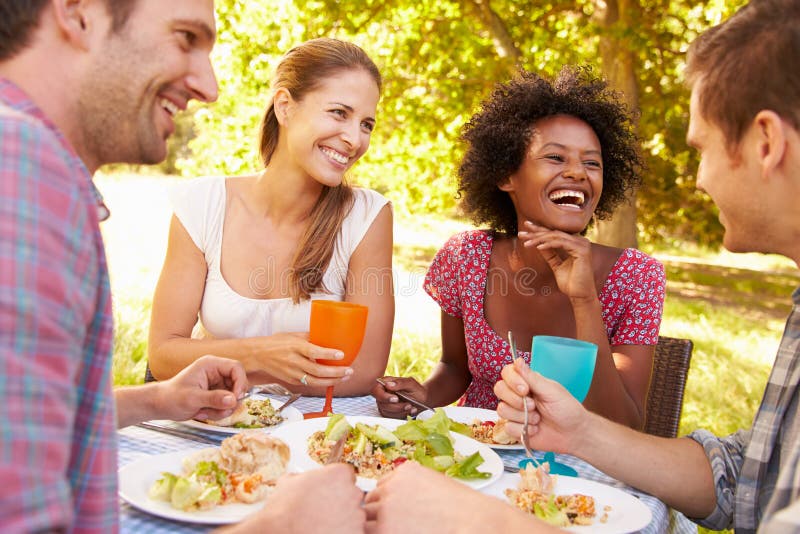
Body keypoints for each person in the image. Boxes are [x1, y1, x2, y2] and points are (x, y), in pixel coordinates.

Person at [0, 1, 365, 532]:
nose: (209, 86)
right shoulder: (24, 168)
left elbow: (30, 423)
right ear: (78, 13)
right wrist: (280, 526)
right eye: (185, 37)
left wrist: (156, 399)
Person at [491, 1, 800, 531]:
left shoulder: (633, 274)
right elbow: (744, 480)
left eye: (699, 148)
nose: (698, 179)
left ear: (766, 143)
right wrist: (577, 433)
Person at [373, 67, 665, 428]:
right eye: (556, 158)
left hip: (573, 470)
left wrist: (584, 300)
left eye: (592, 163)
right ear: (506, 175)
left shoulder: (637, 276)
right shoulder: (466, 257)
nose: (577, 172)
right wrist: (423, 397)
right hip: (478, 450)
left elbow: (625, 423)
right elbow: (455, 367)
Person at [147, 37, 394, 398]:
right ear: (285, 106)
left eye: (366, 124)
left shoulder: (366, 216)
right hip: (212, 421)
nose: (354, 139)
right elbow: (164, 354)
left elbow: (365, 369)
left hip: (309, 434)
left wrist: (224, 363)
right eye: (339, 113)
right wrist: (261, 354)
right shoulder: (202, 204)